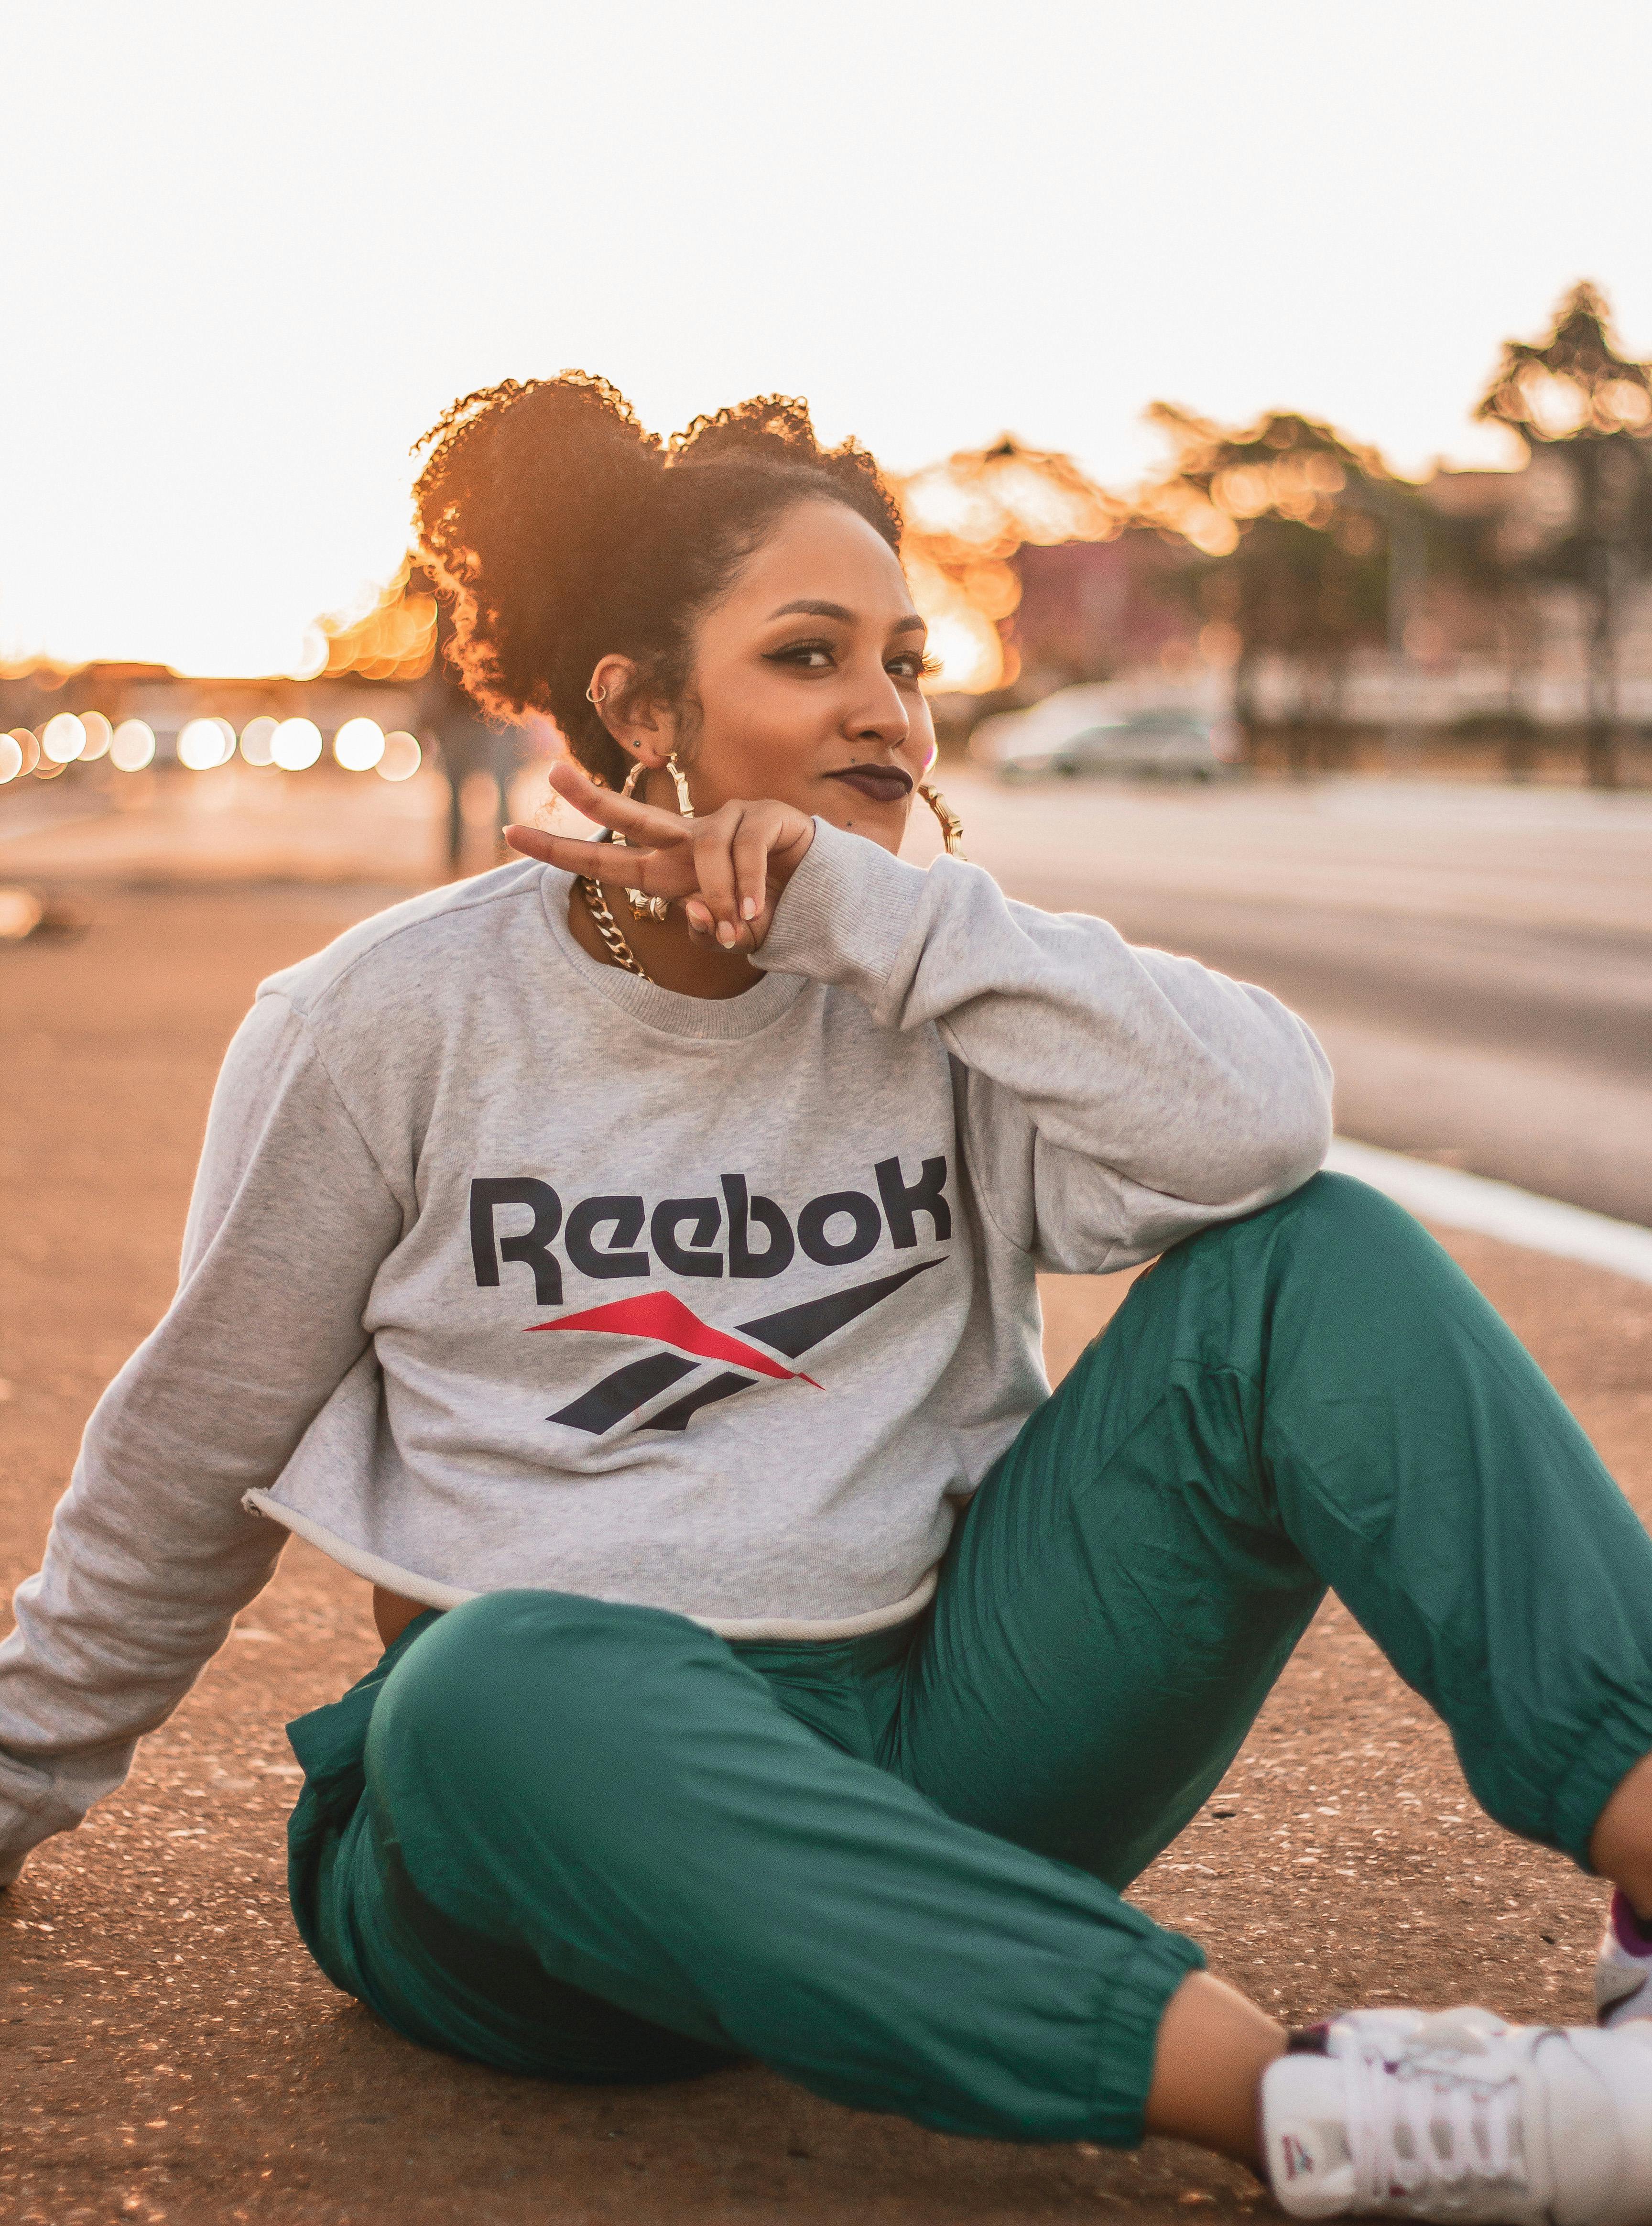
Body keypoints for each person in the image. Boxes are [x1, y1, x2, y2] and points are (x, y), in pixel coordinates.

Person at [5, 374, 1652, 2224]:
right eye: (809, 654)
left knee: (1318, 1259)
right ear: (640, 704)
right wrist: (15, 1773)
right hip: (546, 1843)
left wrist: (888, 931)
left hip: (946, 1742)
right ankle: (1351, 2116)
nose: (887, 705)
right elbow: (193, 1446)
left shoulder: (942, 982)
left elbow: (1263, 1129)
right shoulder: (388, 1022)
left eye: (907, 655)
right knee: (481, 1684)